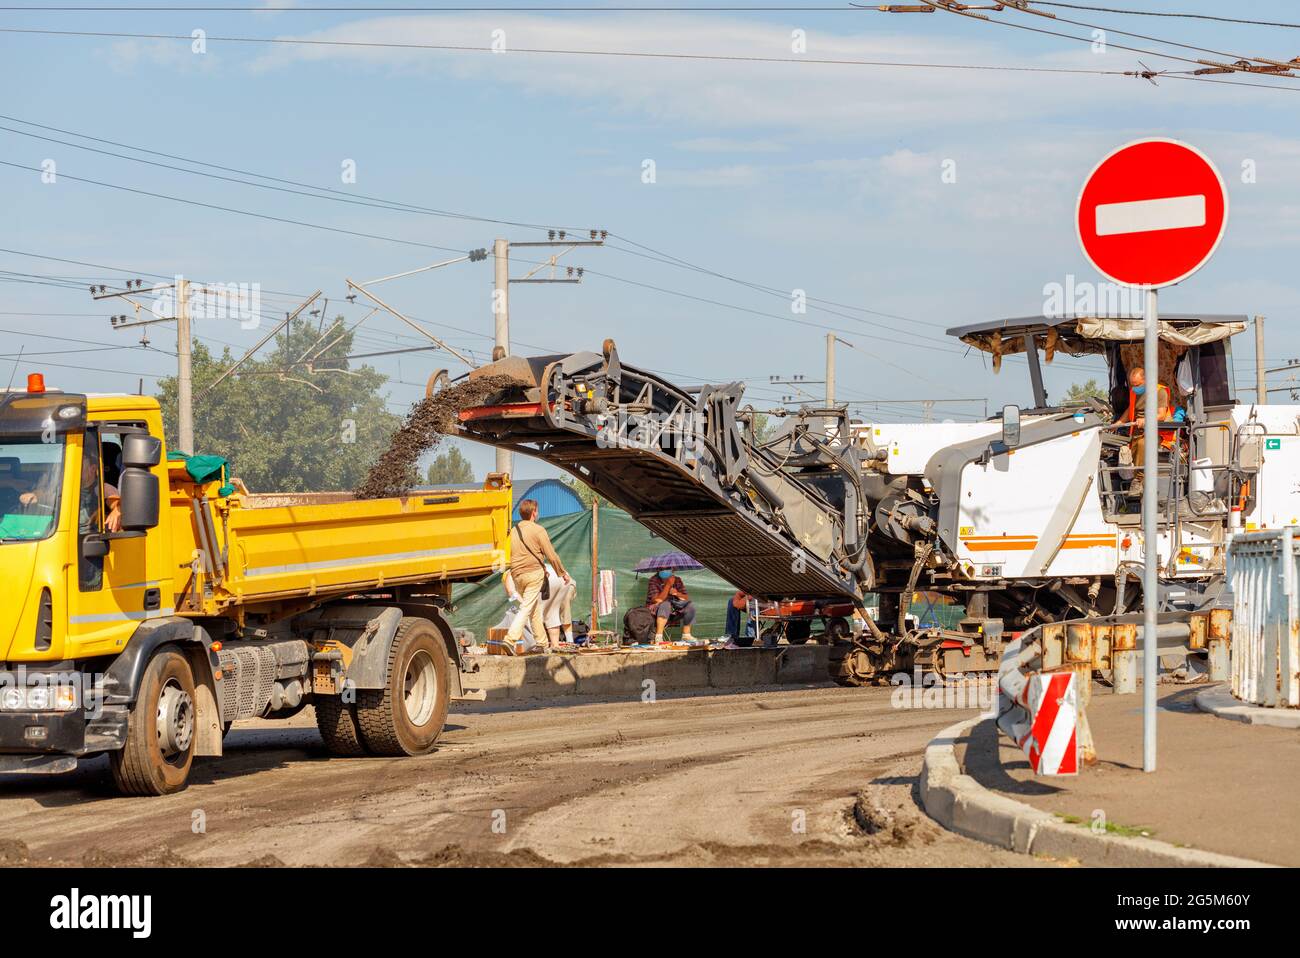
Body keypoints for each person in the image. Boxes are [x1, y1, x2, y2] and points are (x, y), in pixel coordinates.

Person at [504, 499, 571, 652]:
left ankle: (542, 643)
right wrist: (562, 573)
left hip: (517, 575)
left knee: (534, 609)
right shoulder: (538, 530)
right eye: (537, 511)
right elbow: (551, 555)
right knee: (526, 607)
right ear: (534, 512)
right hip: (533, 574)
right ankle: (510, 639)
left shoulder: (513, 531)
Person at [19, 444, 121, 533]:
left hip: (88, 539)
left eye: (78, 463)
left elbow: (118, 504)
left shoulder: (102, 488)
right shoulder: (65, 488)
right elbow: (45, 494)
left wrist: (117, 511)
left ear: (93, 468)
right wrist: (34, 495)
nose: (71, 468)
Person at [504, 562, 576, 647]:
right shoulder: (526, 564)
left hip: (544, 577)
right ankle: (555, 646)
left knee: (535, 616)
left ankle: (537, 645)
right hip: (562, 577)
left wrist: (524, 603)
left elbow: (511, 591)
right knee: (552, 615)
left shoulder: (509, 573)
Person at [1128, 387, 1182, 498]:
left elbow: (1163, 417)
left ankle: (1138, 480)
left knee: (1143, 444)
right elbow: (1130, 411)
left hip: (1161, 436)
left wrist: (1146, 420)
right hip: (1140, 433)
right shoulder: (1135, 394)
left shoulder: (1162, 395)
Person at [645, 567, 696, 643]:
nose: (664, 571)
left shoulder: (677, 580)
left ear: (673, 570)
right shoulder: (654, 580)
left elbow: (685, 597)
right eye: (662, 569)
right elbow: (657, 600)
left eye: (668, 568)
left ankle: (686, 635)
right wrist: (668, 585)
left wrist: (676, 593)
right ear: (658, 570)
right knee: (666, 604)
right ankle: (658, 636)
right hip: (657, 609)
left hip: (674, 608)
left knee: (689, 604)